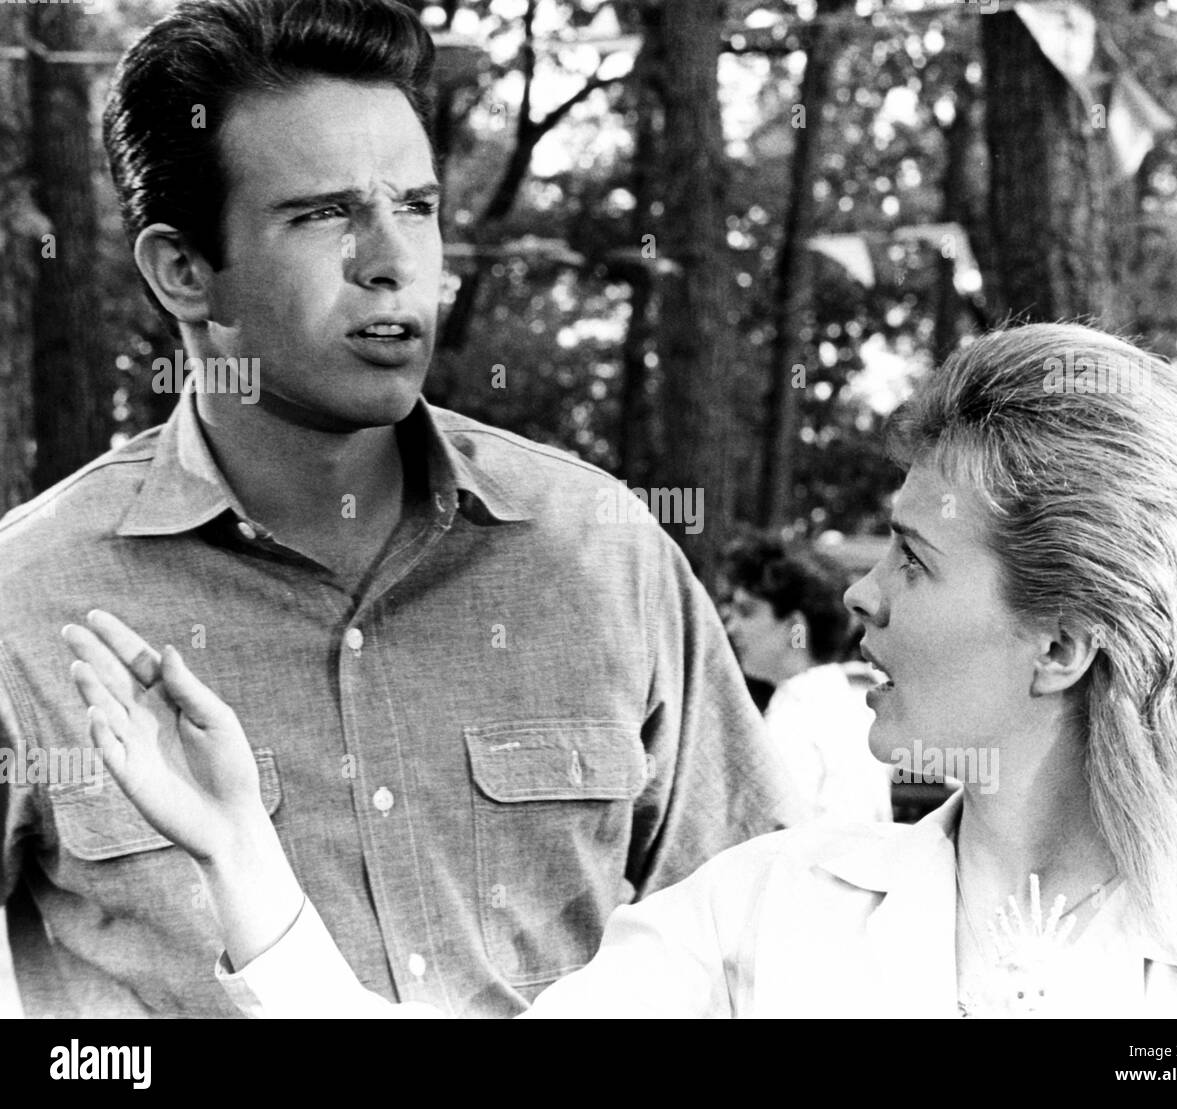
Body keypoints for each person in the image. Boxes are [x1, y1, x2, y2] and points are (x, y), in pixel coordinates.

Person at [64, 323, 1177, 1016]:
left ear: (1065, 644)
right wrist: (239, 848)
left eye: (915, 561)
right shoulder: (766, 908)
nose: (858, 592)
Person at [0, 0, 794, 1018]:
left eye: (415, 206)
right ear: (184, 271)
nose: (393, 260)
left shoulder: (603, 556)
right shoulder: (30, 604)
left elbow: (760, 954)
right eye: (324, 212)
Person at [720, 538, 894, 824]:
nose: (732, 626)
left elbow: (777, 838)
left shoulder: (796, 716)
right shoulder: (847, 702)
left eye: (747, 611)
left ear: (794, 629)